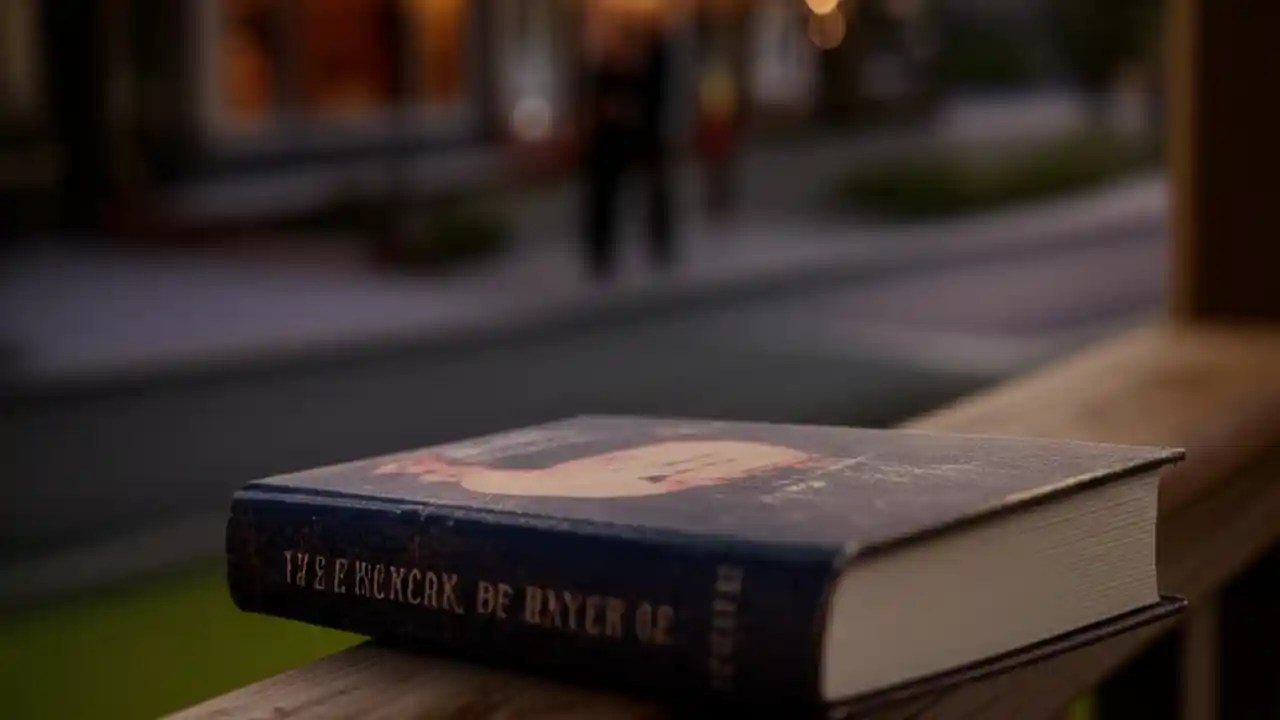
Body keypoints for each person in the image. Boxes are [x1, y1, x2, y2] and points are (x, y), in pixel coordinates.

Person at [580, 11, 676, 280]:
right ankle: (601, 251)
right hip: (610, 138)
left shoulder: (654, 51)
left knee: (655, 187)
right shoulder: (606, 55)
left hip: (643, 131)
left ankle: (660, 243)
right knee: (604, 192)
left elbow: (659, 93)